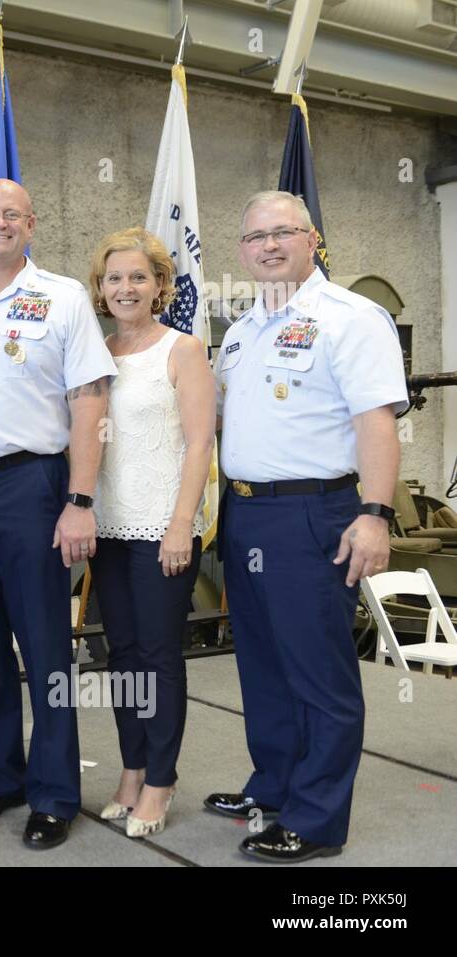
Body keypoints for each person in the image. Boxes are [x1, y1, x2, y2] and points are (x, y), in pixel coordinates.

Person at [211, 190, 406, 863]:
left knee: (318, 669)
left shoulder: (352, 318)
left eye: (283, 232)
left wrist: (374, 515)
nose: (268, 245)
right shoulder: (241, 330)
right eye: (255, 236)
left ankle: (317, 818)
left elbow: (375, 424)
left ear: (312, 238)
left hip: (312, 513)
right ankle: (273, 785)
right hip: (245, 511)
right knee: (263, 663)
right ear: (242, 250)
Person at [0, 179, 117, 850]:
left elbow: (89, 401)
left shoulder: (63, 298)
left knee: (44, 645)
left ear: (31, 224)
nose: (0, 223)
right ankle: (0, 776)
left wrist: (79, 500)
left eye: (13, 214)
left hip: (32, 484)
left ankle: (55, 792)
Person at [86, 227, 214, 838]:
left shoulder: (183, 350)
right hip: (106, 525)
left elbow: (200, 443)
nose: (126, 287)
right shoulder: (96, 353)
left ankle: (161, 779)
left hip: (163, 525)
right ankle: (133, 768)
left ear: (160, 284)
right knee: (123, 655)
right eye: (115, 277)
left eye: (139, 276)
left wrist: (181, 525)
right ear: (101, 287)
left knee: (159, 655)